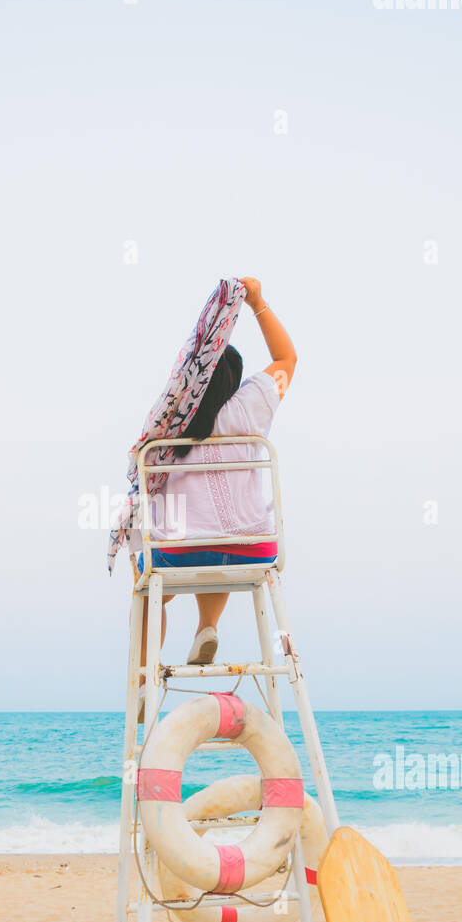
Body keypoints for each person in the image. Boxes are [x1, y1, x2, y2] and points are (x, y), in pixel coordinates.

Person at [137, 277, 296, 712]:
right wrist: (259, 301)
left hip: (182, 556)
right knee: (224, 542)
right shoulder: (250, 408)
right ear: (234, 381)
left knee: (148, 585)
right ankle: (207, 626)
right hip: (253, 551)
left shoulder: (170, 428)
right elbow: (287, 357)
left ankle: (142, 678)